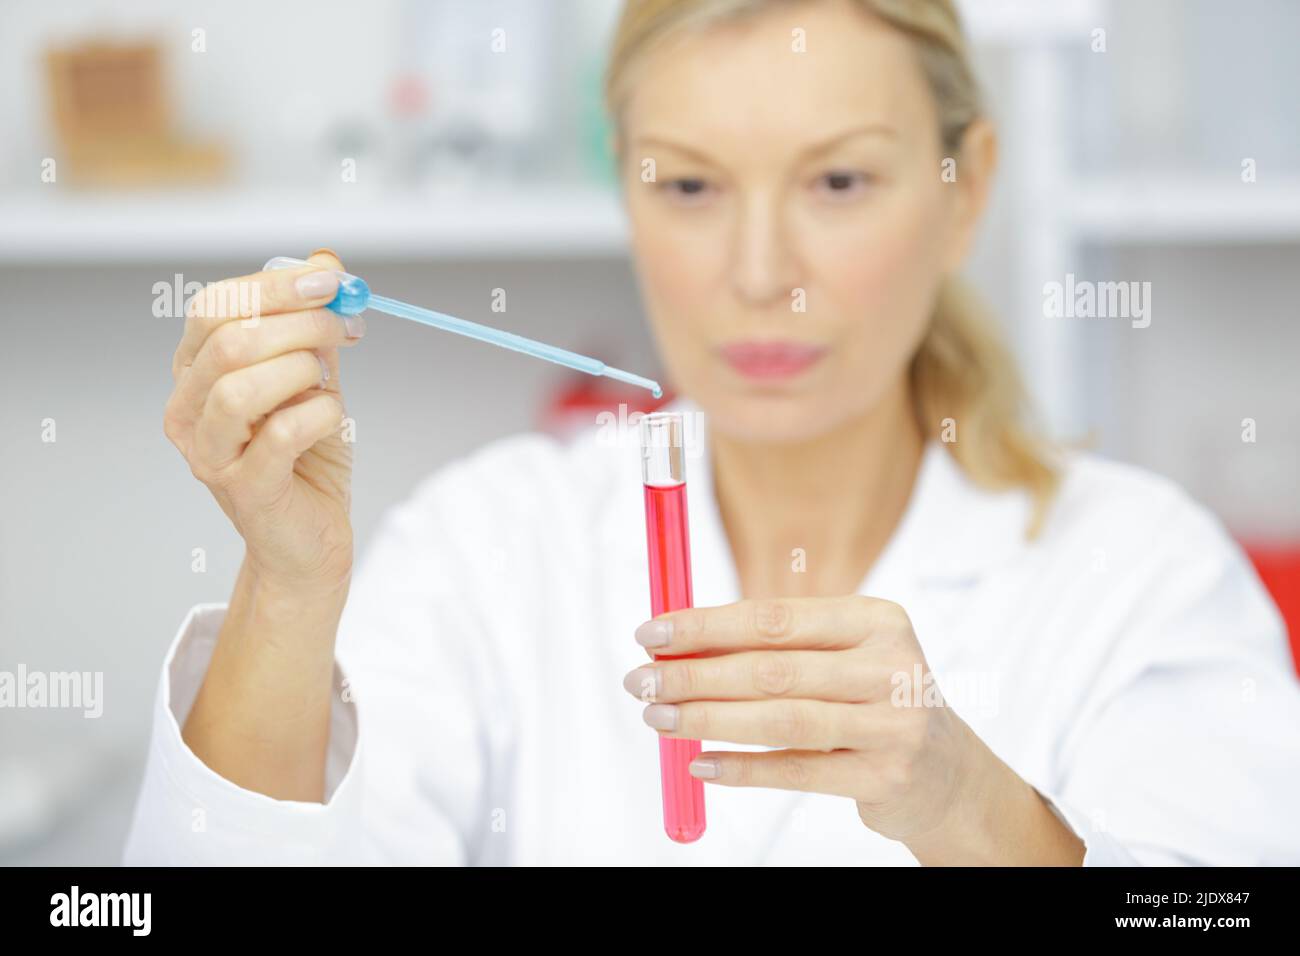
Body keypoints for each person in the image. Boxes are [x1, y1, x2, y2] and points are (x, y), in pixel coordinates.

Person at [124, 0, 1300, 865]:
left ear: (965, 188)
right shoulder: (484, 546)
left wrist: (962, 804)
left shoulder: (1144, 575)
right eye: (688, 187)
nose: (759, 273)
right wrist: (287, 582)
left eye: (838, 182)